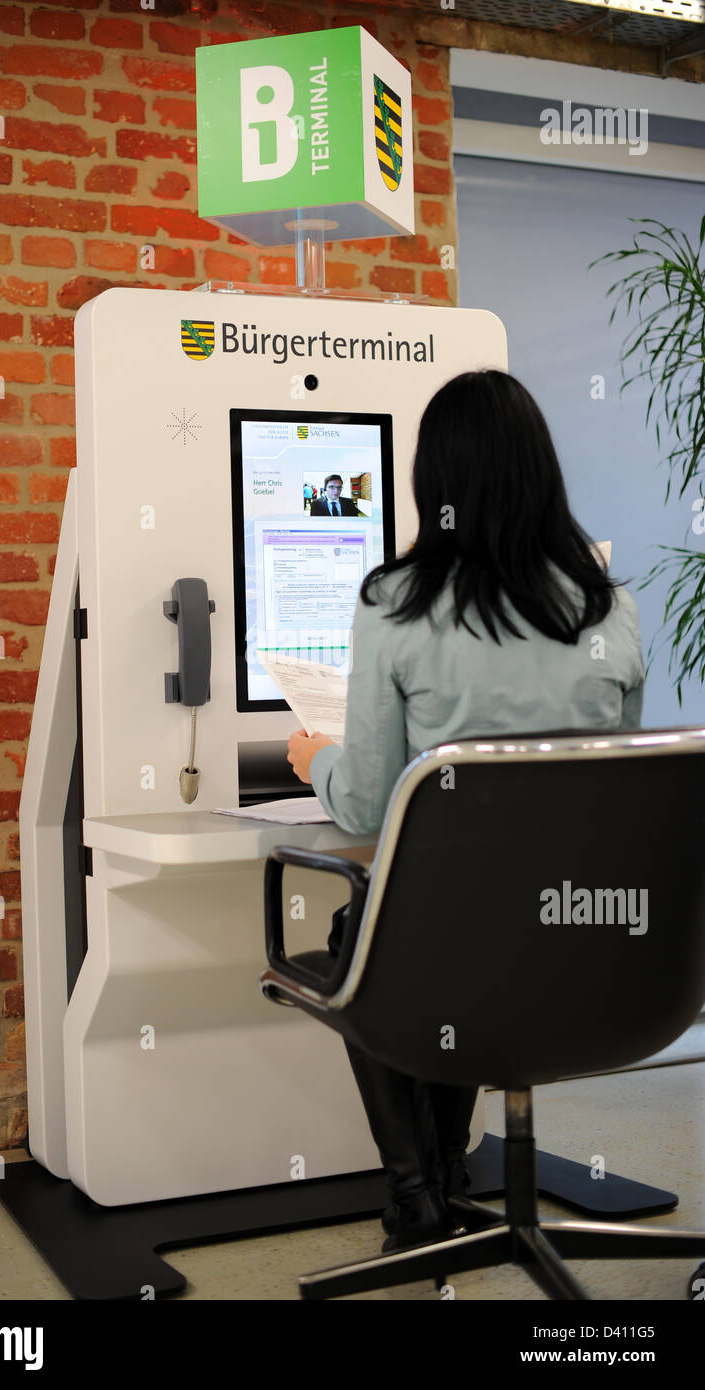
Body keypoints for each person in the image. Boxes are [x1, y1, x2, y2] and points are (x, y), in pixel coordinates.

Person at [286, 369, 645, 1255]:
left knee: (368, 942)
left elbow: (367, 804)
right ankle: (443, 1173)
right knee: (454, 927)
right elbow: (618, 793)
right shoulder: (611, 610)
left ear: (432, 481)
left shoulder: (394, 606)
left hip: (451, 946)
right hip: (589, 940)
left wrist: (313, 758)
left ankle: (416, 1198)